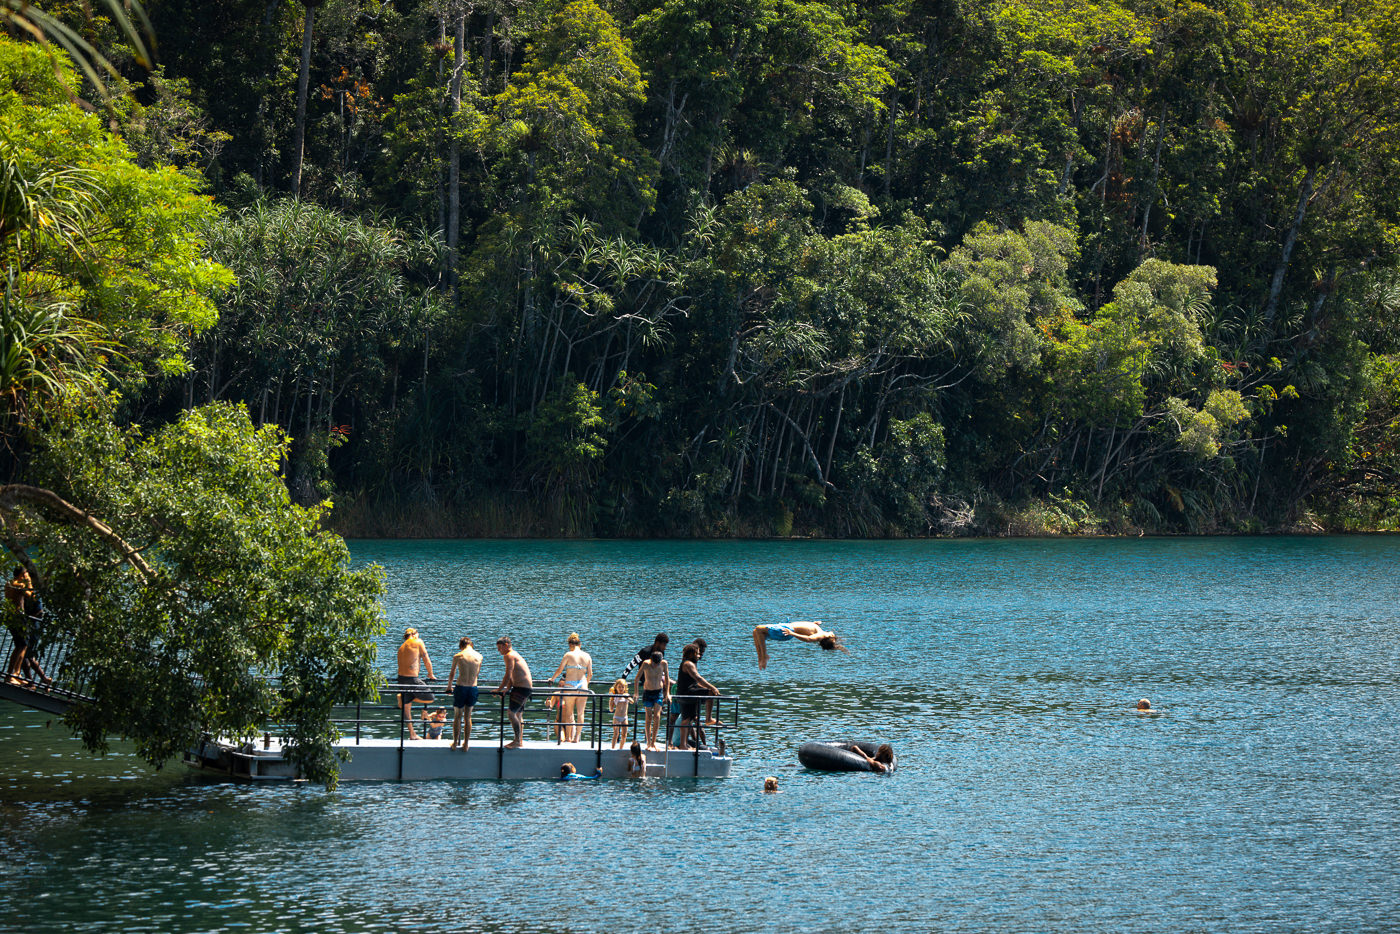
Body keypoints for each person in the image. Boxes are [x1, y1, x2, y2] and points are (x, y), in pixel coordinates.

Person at [4, 566, 47, 685]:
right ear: (22, 575)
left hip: (10, 617)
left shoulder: (9, 583)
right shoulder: (20, 585)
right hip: (17, 618)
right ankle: (14, 674)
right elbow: (33, 597)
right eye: (26, 574)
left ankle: (12, 674)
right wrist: (29, 583)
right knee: (22, 646)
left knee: (20, 645)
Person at [548, 632, 593, 744]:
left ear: (570, 644)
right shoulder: (587, 656)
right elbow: (590, 674)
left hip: (570, 685)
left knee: (569, 713)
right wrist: (585, 685)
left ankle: (568, 738)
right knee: (581, 713)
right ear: (580, 644)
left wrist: (552, 678)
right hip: (582, 684)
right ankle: (576, 737)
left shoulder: (568, 654)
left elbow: (559, 670)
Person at [674, 643, 720, 750]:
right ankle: (708, 718)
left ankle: (683, 744)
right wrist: (712, 688)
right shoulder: (688, 664)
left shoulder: (687, 663)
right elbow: (698, 678)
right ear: (691, 654)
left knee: (687, 719)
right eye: (697, 654)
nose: (699, 656)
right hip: (687, 693)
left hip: (684, 693)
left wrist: (705, 687)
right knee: (710, 693)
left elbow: (695, 681)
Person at [751, 620, 847, 670]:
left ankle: (764, 656)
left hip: (787, 630)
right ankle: (761, 657)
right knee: (756, 632)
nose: (834, 634)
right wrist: (813, 623)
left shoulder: (821, 635)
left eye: (834, 638)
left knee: (759, 629)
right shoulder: (820, 631)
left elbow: (808, 639)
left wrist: (792, 633)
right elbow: (806, 629)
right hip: (787, 629)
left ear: (831, 637)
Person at [493, 637, 533, 748]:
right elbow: (512, 675)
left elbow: (507, 674)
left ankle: (516, 740)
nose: (498, 651)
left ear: (506, 645)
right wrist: (507, 688)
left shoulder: (509, 655)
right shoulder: (514, 654)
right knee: (518, 715)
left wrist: (499, 689)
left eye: (499, 648)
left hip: (522, 688)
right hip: (522, 688)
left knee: (511, 713)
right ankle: (519, 741)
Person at [396, 627, 436, 739]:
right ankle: (403, 697)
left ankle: (412, 734)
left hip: (401, 679)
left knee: (407, 709)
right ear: (414, 634)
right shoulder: (418, 642)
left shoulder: (401, 647)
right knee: (430, 698)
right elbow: (426, 658)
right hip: (412, 679)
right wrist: (431, 674)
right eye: (418, 634)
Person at [446, 637, 482, 750]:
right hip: (472, 687)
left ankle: (455, 742)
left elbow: (452, 673)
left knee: (457, 716)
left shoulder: (458, 656)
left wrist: (449, 687)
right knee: (468, 717)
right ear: (471, 644)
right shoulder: (479, 656)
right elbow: (477, 674)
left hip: (461, 687)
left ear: (461, 645)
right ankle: (466, 744)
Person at [632, 649, 669, 750]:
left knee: (657, 716)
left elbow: (667, 679)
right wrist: (636, 693)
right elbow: (636, 679)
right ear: (650, 660)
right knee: (648, 718)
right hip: (647, 692)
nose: (655, 665)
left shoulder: (664, 663)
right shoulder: (645, 664)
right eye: (654, 663)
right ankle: (648, 743)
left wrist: (667, 693)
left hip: (658, 693)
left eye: (657, 663)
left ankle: (653, 742)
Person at [608, 678, 631, 748]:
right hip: (617, 717)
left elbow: (632, 701)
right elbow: (611, 709)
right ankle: (613, 747)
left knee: (624, 734)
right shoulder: (615, 697)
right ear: (616, 688)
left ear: (625, 688)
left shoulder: (626, 695)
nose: (621, 689)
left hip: (624, 717)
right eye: (619, 687)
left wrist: (627, 697)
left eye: (622, 687)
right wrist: (611, 700)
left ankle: (621, 748)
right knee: (616, 734)